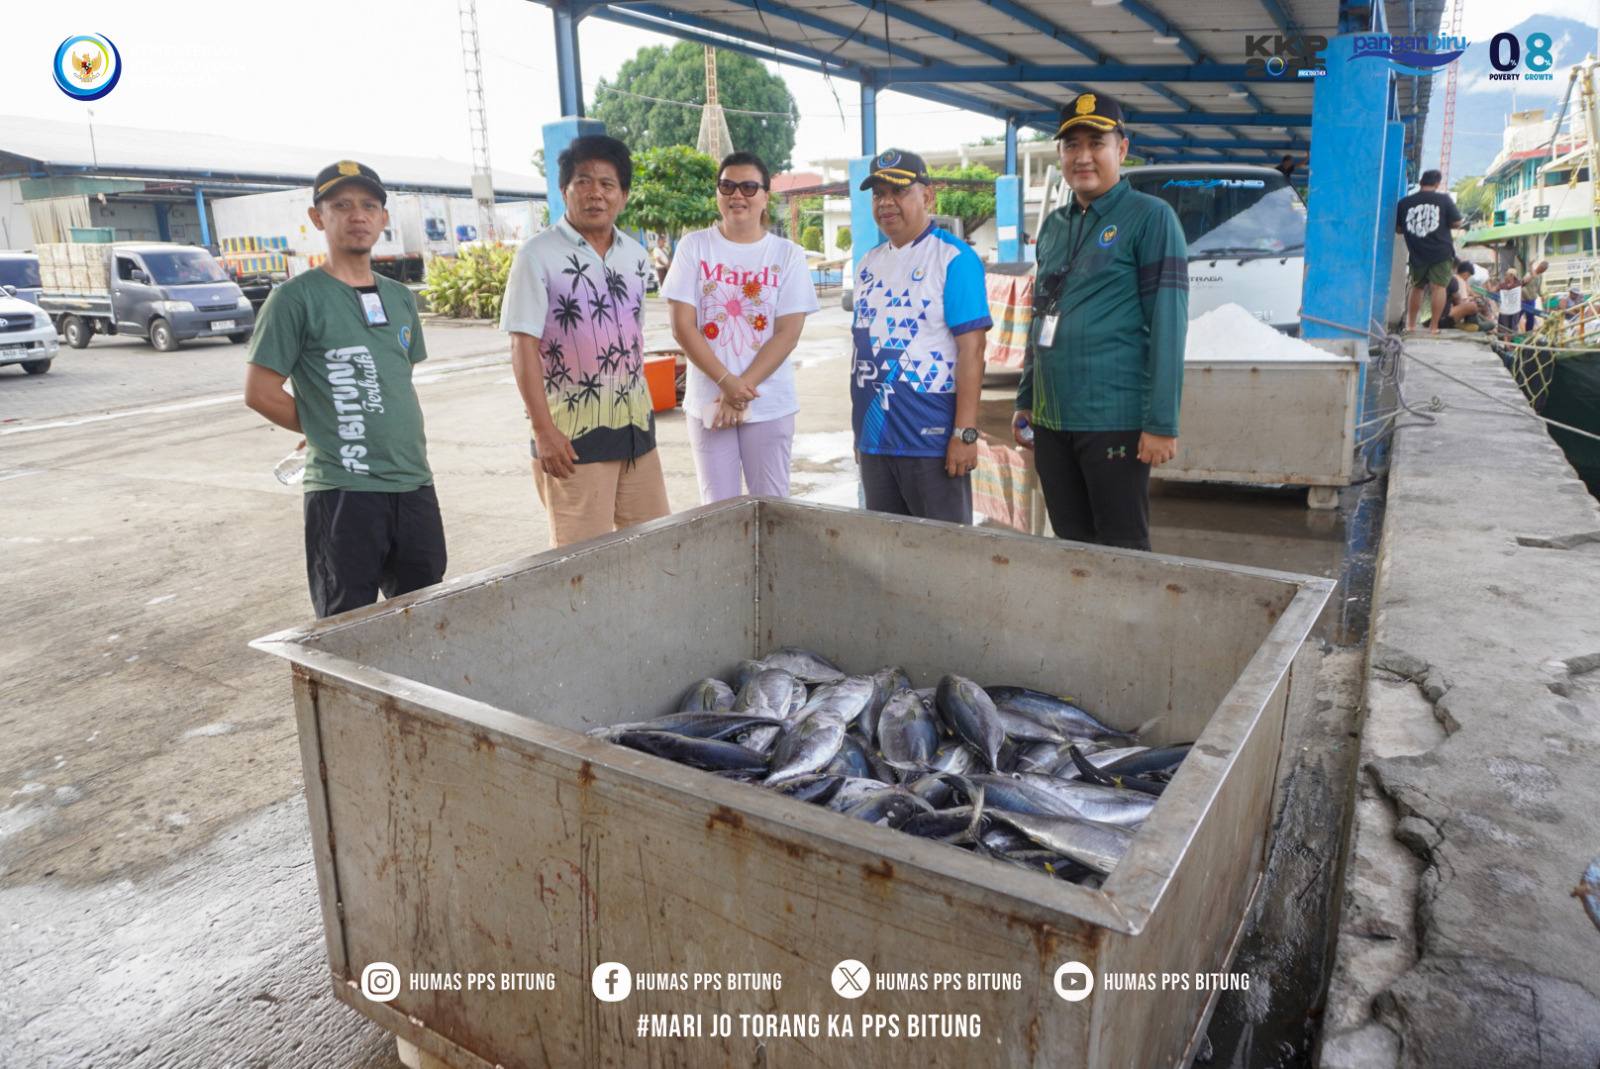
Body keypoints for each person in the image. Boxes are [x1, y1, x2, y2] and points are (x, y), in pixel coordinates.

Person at [243, 160, 446, 618]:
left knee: (424, 613)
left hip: (413, 483)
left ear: (382, 219)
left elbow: (398, 380)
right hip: (344, 490)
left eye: (369, 206)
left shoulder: (399, 298)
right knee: (345, 623)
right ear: (318, 218)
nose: (358, 215)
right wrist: (323, 425)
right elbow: (260, 391)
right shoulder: (295, 299)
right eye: (342, 205)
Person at [1012, 93, 1187, 552]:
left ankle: (1132, 627)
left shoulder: (1150, 219)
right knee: (1071, 542)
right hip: (1052, 421)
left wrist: (1162, 422)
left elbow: (1169, 324)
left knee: (1122, 547)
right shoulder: (1053, 226)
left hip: (1114, 420)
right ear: (1060, 155)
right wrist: (1027, 397)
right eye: (1072, 146)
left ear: (1122, 150)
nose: (1083, 156)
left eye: (1096, 143)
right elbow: (1040, 316)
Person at [500, 135, 669, 548]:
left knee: (658, 546)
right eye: (584, 181)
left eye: (607, 184)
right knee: (582, 564)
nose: (596, 193)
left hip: (636, 433)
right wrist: (543, 431)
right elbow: (522, 347)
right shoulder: (537, 255)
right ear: (564, 191)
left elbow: (632, 338)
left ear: (623, 195)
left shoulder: (635, 256)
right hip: (570, 440)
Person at [662, 151, 819, 503]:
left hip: (768, 403)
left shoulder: (787, 254)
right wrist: (726, 383)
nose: (737, 195)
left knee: (773, 506)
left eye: (749, 187)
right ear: (717, 193)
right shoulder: (694, 247)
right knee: (717, 508)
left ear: (765, 196)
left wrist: (741, 388)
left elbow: (787, 333)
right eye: (727, 186)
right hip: (709, 402)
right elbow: (682, 327)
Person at [850, 148, 991, 524]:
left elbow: (973, 351)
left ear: (927, 195)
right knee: (885, 556)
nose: (886, 203)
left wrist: (965, 433)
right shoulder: (868, 263)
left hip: (930, 442)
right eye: (878, 193)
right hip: (875, 439)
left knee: (943, 558)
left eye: (898, 191)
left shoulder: (954, 259)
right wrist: (858, 435)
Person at [1395, 169, 1465, 335]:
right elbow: (1457, 222)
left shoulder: (1404, 203)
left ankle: (1410, 326)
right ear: (1437, 183)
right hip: (1441, 252)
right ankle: (1434, 327)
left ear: (1420, 182)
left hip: (1417, 252)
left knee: (1416, 287)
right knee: (1438, 288)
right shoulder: (1444, 199)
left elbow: (1398, 229)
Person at [1521, 259, 1548, 330]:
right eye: (1542, 268)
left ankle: (1528, 333)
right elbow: (1522, 283)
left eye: (1544, 269)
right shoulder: (1529, 273)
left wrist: (1542, 295)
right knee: (1517, 316)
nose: (1542, 270)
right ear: (1539, 266)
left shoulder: (1540, 277)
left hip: (1532, 300)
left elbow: (1538, 288)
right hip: (1523, 299)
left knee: (1530, 318)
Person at [1496, 268, 1522, 333]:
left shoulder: (1518, 284)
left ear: (1511, 276)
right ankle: (1505, 342)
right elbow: (1492, 290)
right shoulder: (1502, 285)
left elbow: (1530, 277)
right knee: (1503, 328)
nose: (1505, 276)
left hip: (1514, 310)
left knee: (1512, 328)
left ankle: (1510, 342)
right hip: (1505, 310)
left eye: (1506, 275)